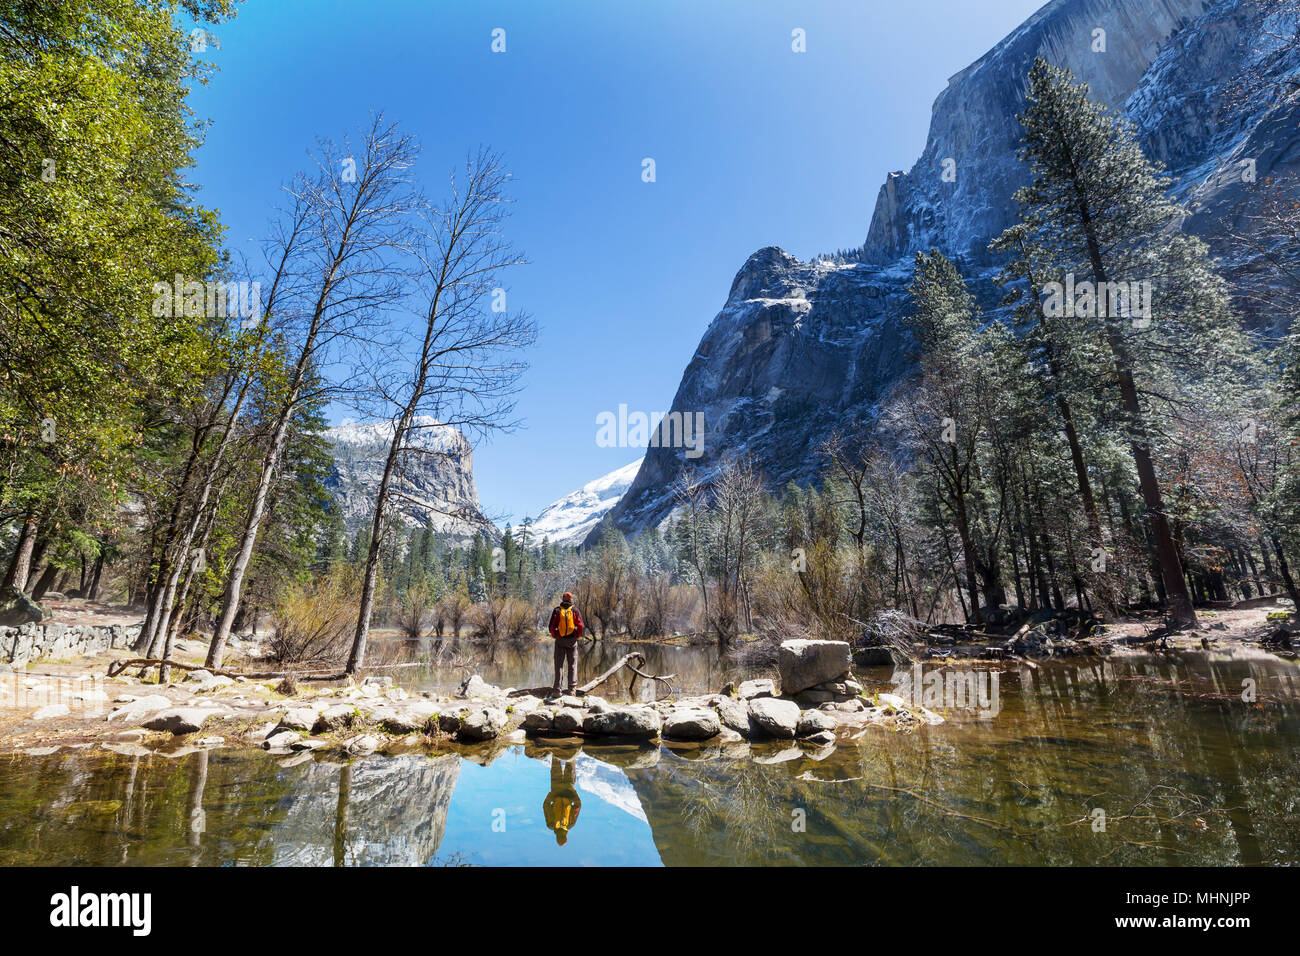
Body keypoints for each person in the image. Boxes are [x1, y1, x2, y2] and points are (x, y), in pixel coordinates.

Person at [547, 590, 584, 696]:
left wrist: (556, 636)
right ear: (571, 599)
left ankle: (557, 690)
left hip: (560, 641)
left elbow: (551, 627)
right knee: (572, 665)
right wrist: (575, 635)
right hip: (572, 641)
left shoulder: (557, 610)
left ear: (562, 599)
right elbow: (581, 626)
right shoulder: (575, 610)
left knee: (559, 665)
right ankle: (572, 690)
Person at [543, 755, 581, 846]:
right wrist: (551, 794)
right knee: (556, 759)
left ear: (566, 836)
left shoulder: (569, 825)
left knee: (570, 761)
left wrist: (573, 793)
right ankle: (556, 742)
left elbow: (577, 806)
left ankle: (571, 743)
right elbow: (546, 806)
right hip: (556, 788)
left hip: (568, 789)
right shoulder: (551, 825)